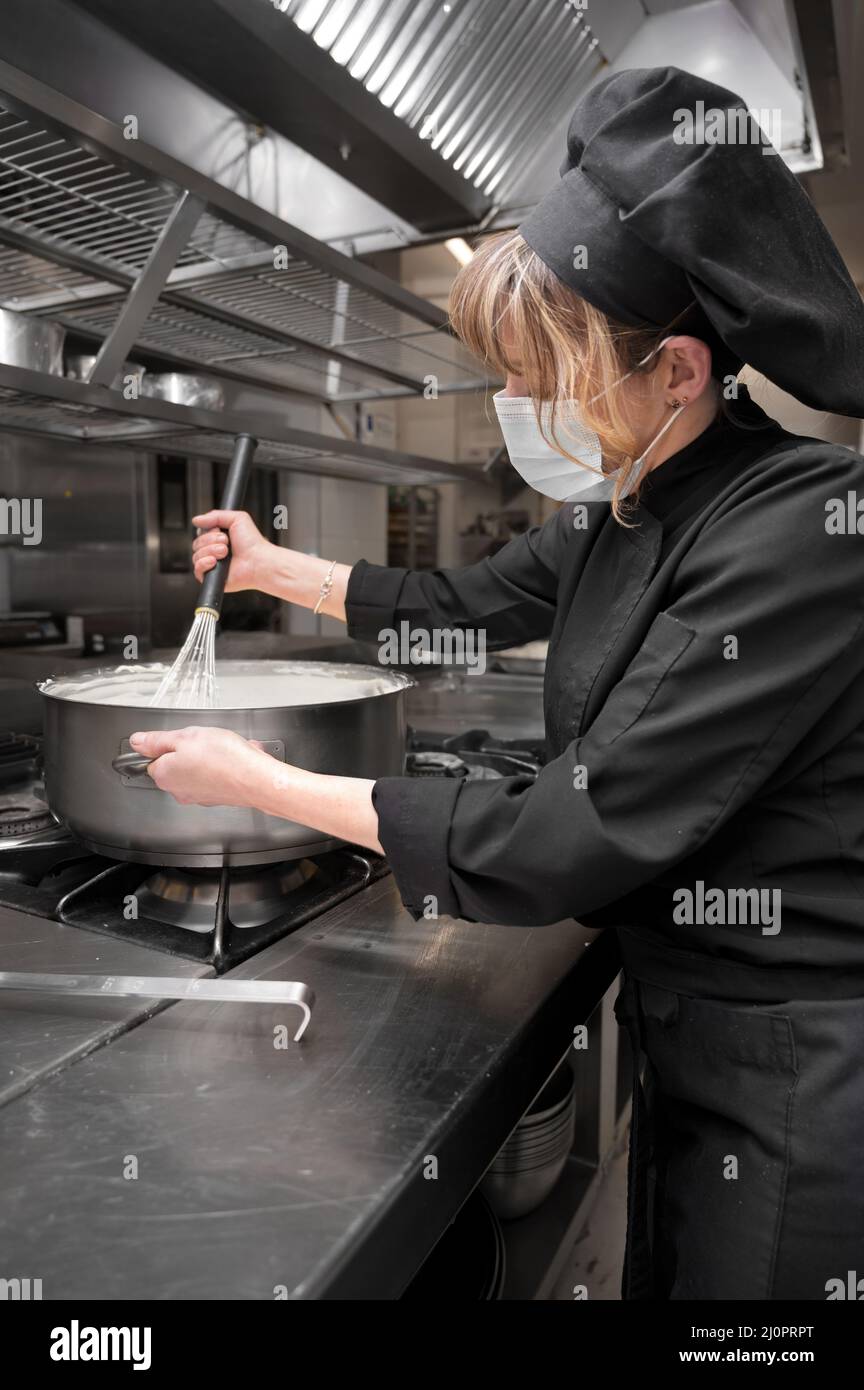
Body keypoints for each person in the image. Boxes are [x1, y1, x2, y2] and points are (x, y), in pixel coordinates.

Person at [130, 67, 864, 1300]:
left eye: (537, 371)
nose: (514, 401)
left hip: (801, 1060)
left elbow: (573, 835)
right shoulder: (626, 502)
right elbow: (453, 608)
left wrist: (259, 781)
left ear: (678, 372)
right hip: (696, 1022)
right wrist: (271, 567)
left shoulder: (805, 528)